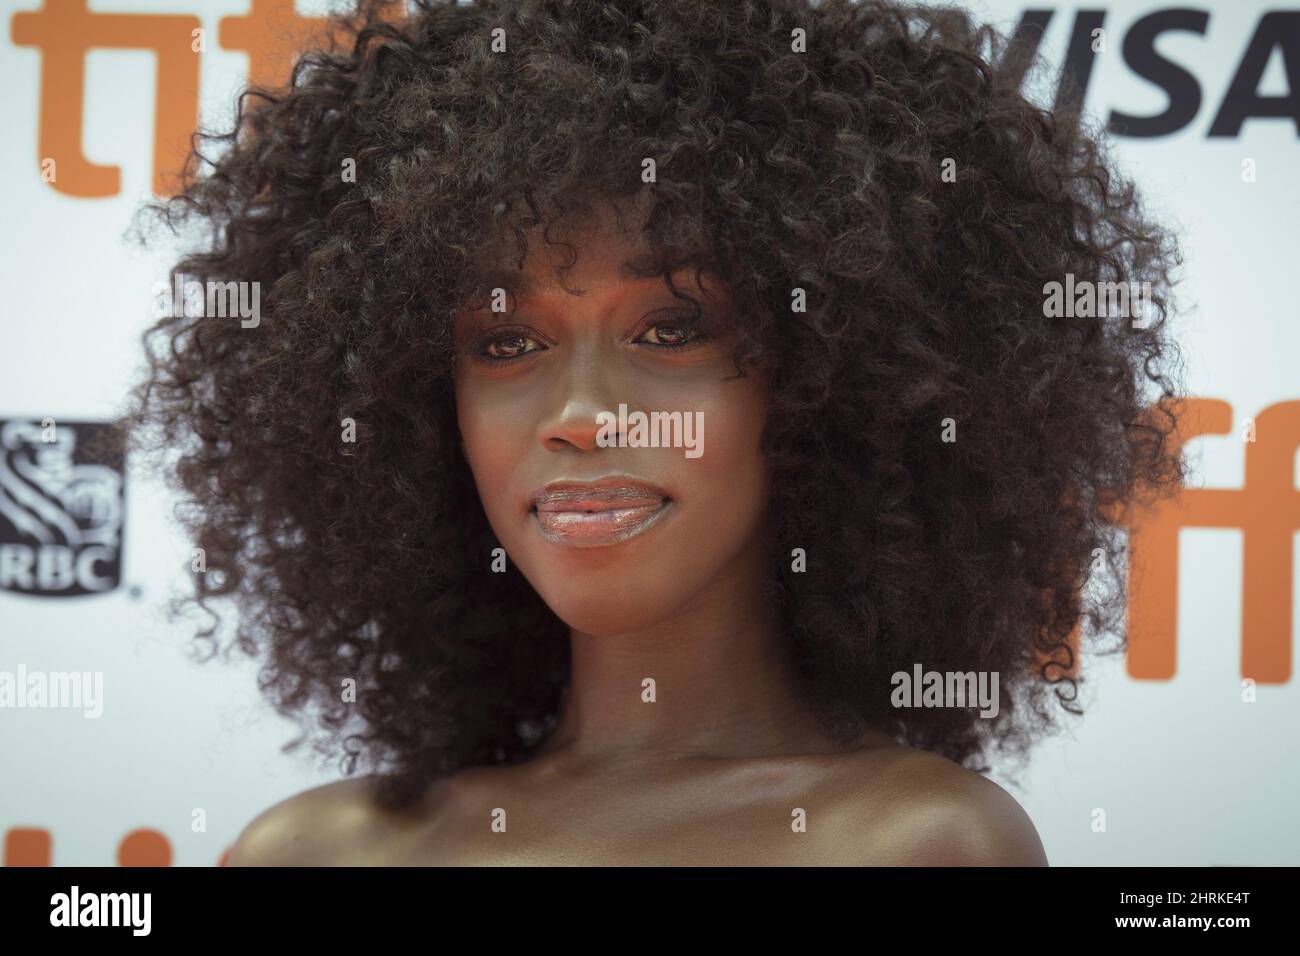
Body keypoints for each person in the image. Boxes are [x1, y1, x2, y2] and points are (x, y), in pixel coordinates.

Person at [121, 0, 1186, 865]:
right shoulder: (316, 852)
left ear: (830, 380)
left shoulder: (912, 841)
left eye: (670, 327)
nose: (581, 414)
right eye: (503, 343)